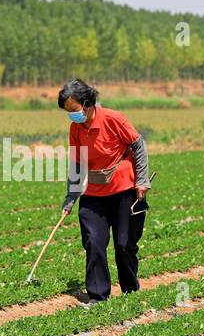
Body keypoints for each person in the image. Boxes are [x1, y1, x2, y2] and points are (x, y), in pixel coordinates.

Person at [58, 79, 151, 301]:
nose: (71, 116)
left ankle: (130, 292)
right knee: (94, 241)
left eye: (73, 110)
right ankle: (98, 297)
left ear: (88, 103)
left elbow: (139, 146)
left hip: (123, 190)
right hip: (93, 194)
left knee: (124, 245)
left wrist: (142, 181)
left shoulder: (113, 118)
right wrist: (71, 198)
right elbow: (77, 163)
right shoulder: (76, 129)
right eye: (67, 112)